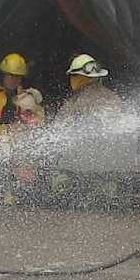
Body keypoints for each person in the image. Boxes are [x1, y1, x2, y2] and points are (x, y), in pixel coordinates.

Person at [52, 54, 126, 207]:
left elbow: (59, 130)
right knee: (106, 203)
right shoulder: (112, 98)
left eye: (75, 76)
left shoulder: (76, 102)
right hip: (108, 168)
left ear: (82, 78)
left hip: (78, 167)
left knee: (60, 187)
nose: (72, 80)